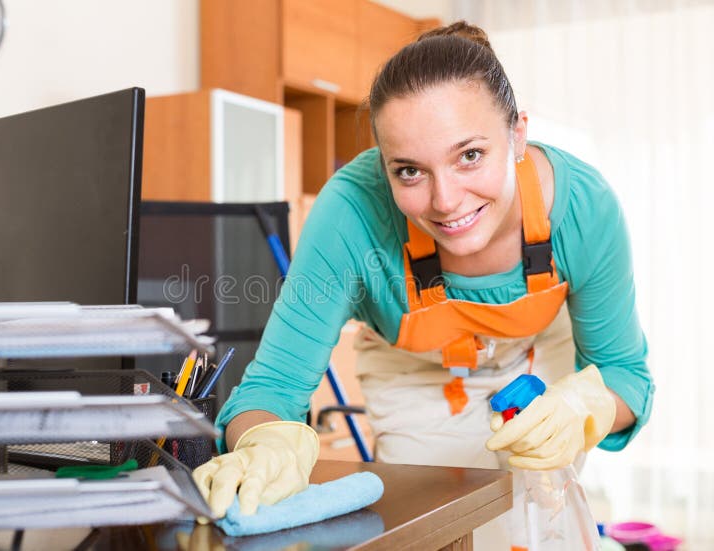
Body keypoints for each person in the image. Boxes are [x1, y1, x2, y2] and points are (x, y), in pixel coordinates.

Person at [192, 21, 654, 546]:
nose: (446, 201)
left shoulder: (584, 210)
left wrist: (583, 409)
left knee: (536, 516)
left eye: (470, 155)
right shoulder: (350, 213)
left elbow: (625, 375)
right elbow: (273, 386)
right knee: (433, 524)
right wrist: (265, 441)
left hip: (535, 361)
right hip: (414, 370)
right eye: (410, 171)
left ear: (518, 133)